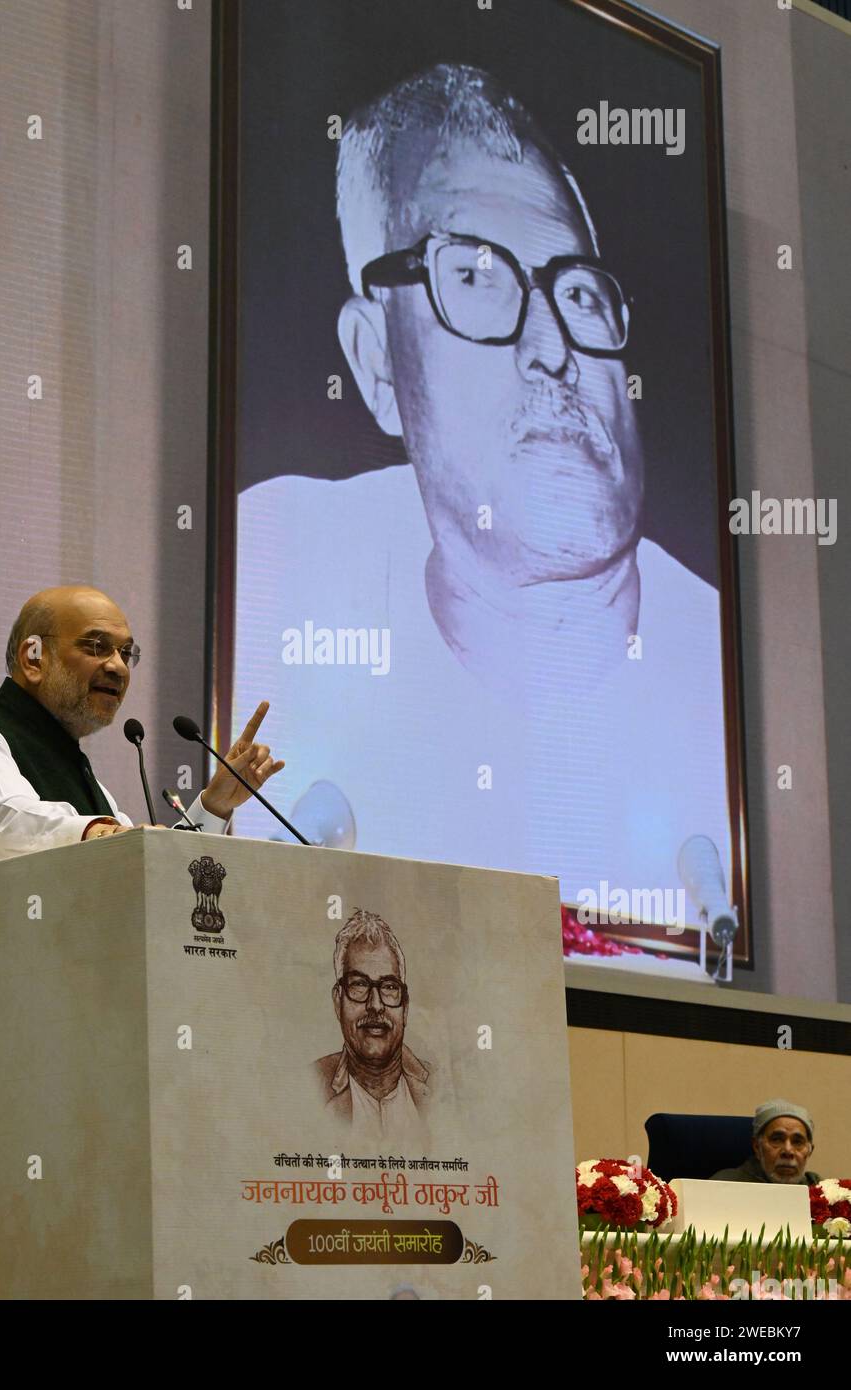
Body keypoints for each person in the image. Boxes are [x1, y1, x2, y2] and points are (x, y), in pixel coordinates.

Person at [235, 63, 731, 928]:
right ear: (378, 363)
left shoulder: (713, 668)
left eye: (579, 293)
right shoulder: (277, 566)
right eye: (473, 277)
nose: (552, 348)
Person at [0, 585, 283, 875]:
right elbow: (3, 830)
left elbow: (153, 872)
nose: (119, 667)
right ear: (34, 659)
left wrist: (214, 806)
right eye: (97, 646)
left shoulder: (85, 777)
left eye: (126, 653)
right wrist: (100, 833)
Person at [314, 909, 432, 1135]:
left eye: (389, 987)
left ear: (405, 1007)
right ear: (338, 1001)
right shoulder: (306, 1088)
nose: (375, 1005)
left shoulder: (443, 1091)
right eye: (359, 985)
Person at [711, 1100, 820, 1185]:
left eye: (797, 1142)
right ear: (757, 1147)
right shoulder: (724, 1185)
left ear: (809, 1151)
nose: (788, 1150)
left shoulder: (821, 1191)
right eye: (777, 1139)